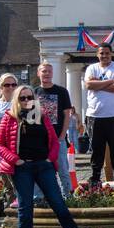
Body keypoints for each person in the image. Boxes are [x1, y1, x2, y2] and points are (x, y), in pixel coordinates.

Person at [0, 85, 84, 228]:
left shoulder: (42, 117)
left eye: (30, 97)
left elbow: (53, 141)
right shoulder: (9, 118)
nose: (27, 101)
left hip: (43, 166)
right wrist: (15, 160)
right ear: (16, 100)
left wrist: (50, 159)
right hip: (22, 168)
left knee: (58, 203)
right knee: (25, 207)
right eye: (23, 98)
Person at [83, 43, 114, 187]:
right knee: (97, 150)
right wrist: (110, 81)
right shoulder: (92, 68)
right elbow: (89, 85)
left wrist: (99, 83)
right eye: (101, 53)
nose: (104, 56)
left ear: (111, 54)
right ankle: (95, 180)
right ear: (97, 54)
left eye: (107, 53)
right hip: (95, 116)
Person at [34, 61, 75, 200]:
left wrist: (62, 135)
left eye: (49, 71)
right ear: (38, 73)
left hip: (58, 138)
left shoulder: (62, 91)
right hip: (39, 140)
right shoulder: (34, 92)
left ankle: (68, 197)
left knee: (63, 169)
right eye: (43, 71)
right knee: (40, 169)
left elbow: (66, 114)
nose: (46, 74)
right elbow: (29, 116)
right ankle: (41, 197)